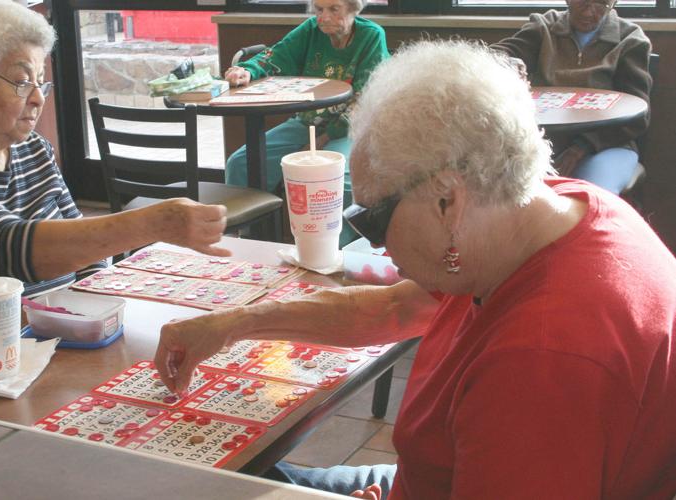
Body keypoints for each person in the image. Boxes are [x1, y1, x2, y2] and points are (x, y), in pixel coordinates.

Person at [155, 40, 676, 499]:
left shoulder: (539, 363)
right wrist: (235, 324)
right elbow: (395, 308)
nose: (374, 242)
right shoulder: (547, 210)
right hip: (423, 479)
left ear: (448, 199)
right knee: (231, 474)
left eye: (374, 217)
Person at [0, 0, 230, 347]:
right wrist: (152, 224)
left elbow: (85, 253)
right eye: (22, 81)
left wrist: (101, 310)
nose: (38, 97)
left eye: (41, 81)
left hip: (56, 340)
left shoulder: (30, 148)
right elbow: (12, 249)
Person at [223, 0, 388, 247]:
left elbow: (366, 99)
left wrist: (323, 139)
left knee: (336, 176)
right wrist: (246, 70)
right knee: (240, 163)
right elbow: (275, 55)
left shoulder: (371, 36)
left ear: (353, 9)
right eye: (319, 9)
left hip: (352, 128)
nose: (324, 17)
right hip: (307, 122)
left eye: (334, 9)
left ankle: (337, 250)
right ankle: (249, 242)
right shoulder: (310, 30)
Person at [491, 0, 652, 194]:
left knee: (590, 195)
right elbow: (494, 54)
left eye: (601, 4)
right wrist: (508, 60)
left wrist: (582, 146)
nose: (588, 12)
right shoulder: (544, 26)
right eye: (582, 1)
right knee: (501, 188)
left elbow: (638, 117)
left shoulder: (630, 39)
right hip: (541, 139)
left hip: (606, 143)